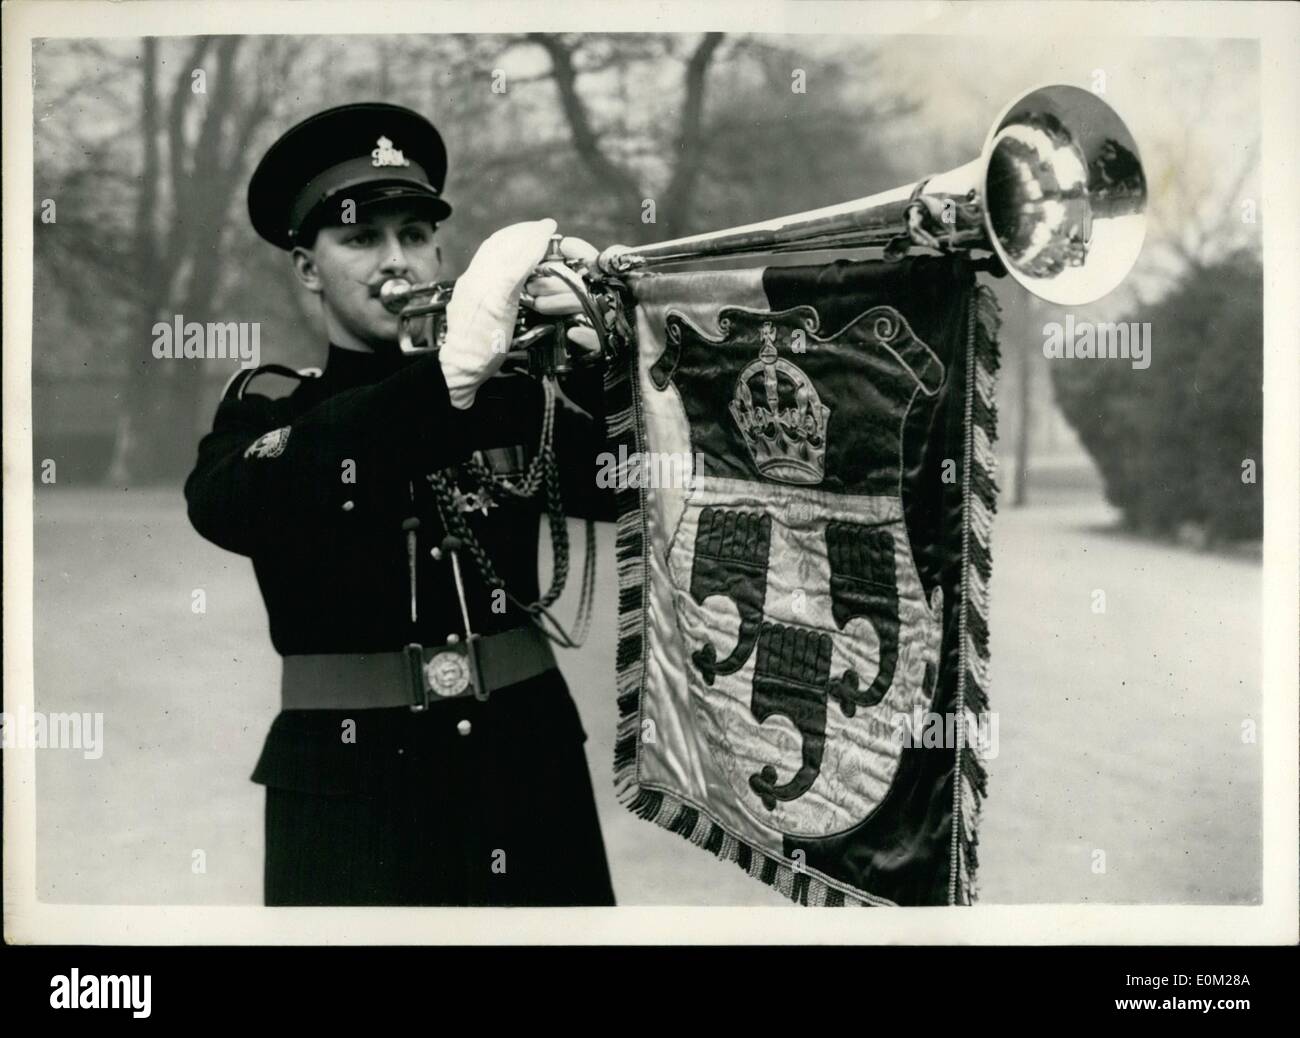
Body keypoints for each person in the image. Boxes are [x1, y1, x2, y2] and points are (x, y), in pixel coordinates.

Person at [184, 102, 618, 906]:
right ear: (308, 267)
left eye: (416, 235)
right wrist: (443, 381)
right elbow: (228, 505)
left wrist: (607, 363)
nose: (398, 262)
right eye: (361, 238)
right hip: (354, 800)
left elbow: (632, 485)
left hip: (526, 768)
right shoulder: (273, 407)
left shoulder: (515, 389)